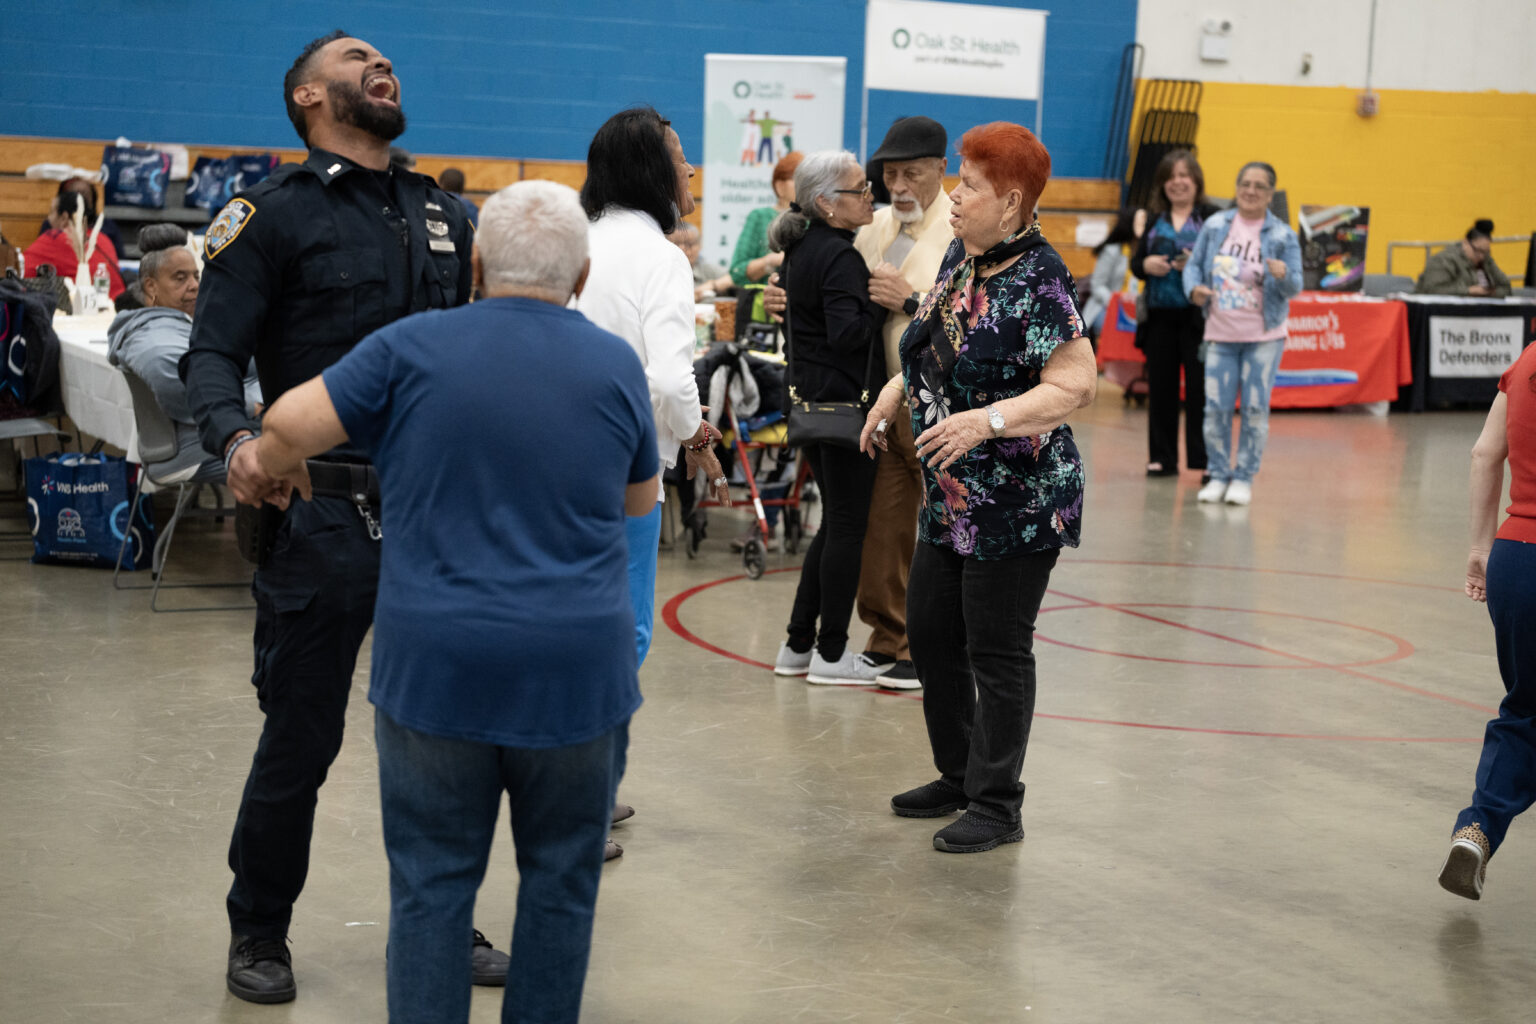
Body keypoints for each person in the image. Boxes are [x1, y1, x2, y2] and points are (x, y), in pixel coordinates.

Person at [250, 179, 654, 1024]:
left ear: (474, 264)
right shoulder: (615, 365)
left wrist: (278, 461)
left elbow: (287, 423)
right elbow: (639, 501)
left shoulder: (408, 349)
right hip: (575, 672)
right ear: (580, 279)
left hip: (437, 667)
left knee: (431, 887)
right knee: (560, 886)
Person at [179, 31, 503, 1004]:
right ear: (309, 96)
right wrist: (239, 442)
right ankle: (259, 928)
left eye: (386, 59)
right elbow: (209, 356)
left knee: (452, 743)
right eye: (360, 58)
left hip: (438, 516)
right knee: (301, 738)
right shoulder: (269, 215)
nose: (384, 65)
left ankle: (451, 921)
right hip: (321, 513)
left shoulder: (447, 212)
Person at [859, 121, 1095, 854]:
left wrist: (985, 420)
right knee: (930, 634)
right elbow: (933, 333)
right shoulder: (967, 256)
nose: (955, 199)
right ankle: (959, 774)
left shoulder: (1040, 279)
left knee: (996, 651)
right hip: (954, 493)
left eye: (971, 187)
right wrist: (896, 389)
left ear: (1013, 200)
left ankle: (998, 804)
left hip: (1020, 501)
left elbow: (1076, 383)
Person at [848, 115, 956, 691]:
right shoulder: (874, 229)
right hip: (885, 404)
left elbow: (977, 320)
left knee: (941, 530)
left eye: (913, 173)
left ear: (942, 168)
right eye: (891, 174)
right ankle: (888, 636)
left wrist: (912, 302)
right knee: (884, 528)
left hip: (946, 405)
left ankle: (928, 643)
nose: (901, 186)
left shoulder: (962, 230)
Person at [767, 150, 883, 685]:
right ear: (826, 204)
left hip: (812, 404)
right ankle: (831, 655)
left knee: (834, 524)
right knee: (846, 528)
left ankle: (797, 645)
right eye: (859, 190)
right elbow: (847, 334)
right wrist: (884, 304)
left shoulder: (802, 249)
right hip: (842, 407)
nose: (869, 197)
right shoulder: (839, 256)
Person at [1440, 339, 1536, 900]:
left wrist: (1480, 548)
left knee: (1525, 707)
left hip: (1517, 557)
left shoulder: (1524, 361)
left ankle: (1477, 829)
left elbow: (1484, 454)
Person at [1184, 161, 1302, 506]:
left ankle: (1244, 478)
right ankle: (1219, 474)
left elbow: (1296, 285)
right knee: (1216, 408)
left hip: (1264, 337)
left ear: (1270, 194)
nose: (1251, 191)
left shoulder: (1283, 235)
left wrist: (1282, 275)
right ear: (1237, 188)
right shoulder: (1216, 225)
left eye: (1260, 186)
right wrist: (1194, 290)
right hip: (1220, 334)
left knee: (1253, 408)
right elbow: (1193, 265)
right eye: (1245, 184)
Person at [107, 224, 260, 481]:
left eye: (196, 276)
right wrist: (251, 407)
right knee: (308, 460)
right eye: (180, 278)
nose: (193, 286)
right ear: (151, 287)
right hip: (191, 451)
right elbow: (175, 383)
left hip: (213, 437)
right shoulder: (153, 338)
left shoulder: (175, 325)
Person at [1130, 150, 1218, 478]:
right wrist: (1146, 265)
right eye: (1171, 177)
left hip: (1200, 318)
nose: (1178, 182)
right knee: (1162, 390)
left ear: (1196, 180)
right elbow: (1136, 264)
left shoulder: (1211, 218)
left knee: (1201, 391)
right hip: (1160, 317)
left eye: (1184, 175)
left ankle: (1205, 460)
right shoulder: (1154, 220)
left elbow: (1226, 263)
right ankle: (1162, 458)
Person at [23, 190, 125, 300]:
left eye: (51, 212)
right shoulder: (103, 238)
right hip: (119, 305)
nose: (48, 218)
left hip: (91, 310)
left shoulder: (54, 238)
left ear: (64, 218)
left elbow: (20, 272)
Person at [730, 151, 803, 290]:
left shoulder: (814, 220)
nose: (803, 184)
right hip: (763, 302)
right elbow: (737, 271)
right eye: (796, 178)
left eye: (806, 179)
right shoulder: (759, 217)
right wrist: (770, 261)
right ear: (779, 186)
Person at [1080, 208, 1139, 339]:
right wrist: (1118, 303)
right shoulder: (1112, 251)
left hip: (1136, 309)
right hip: (1108, 307)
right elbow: (1097, 286)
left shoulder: (1145, 252)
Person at [35, 177, 125, 261]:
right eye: (76, 194)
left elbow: (120, 260)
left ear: (93, 199)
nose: (81, 200)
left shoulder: (106, 227)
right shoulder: (51, 225)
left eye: (85, 194)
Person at [1415, 220, 1512, 297]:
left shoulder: (1487, 260)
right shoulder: (1444, 260)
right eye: (1477, 250)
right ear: (1465, 243)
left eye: (1485, 252)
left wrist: (1489, 293)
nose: (1481, 256)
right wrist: (1468, 291)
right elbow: (1432, 290)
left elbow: (1506, 288)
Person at [668, 221, 732, 301]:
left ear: (700, 245)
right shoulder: (661, 272)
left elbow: (738, 277)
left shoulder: (708, 270)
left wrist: (713, 285)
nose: (682, 249)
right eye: (676, 244)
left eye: (689, 244)